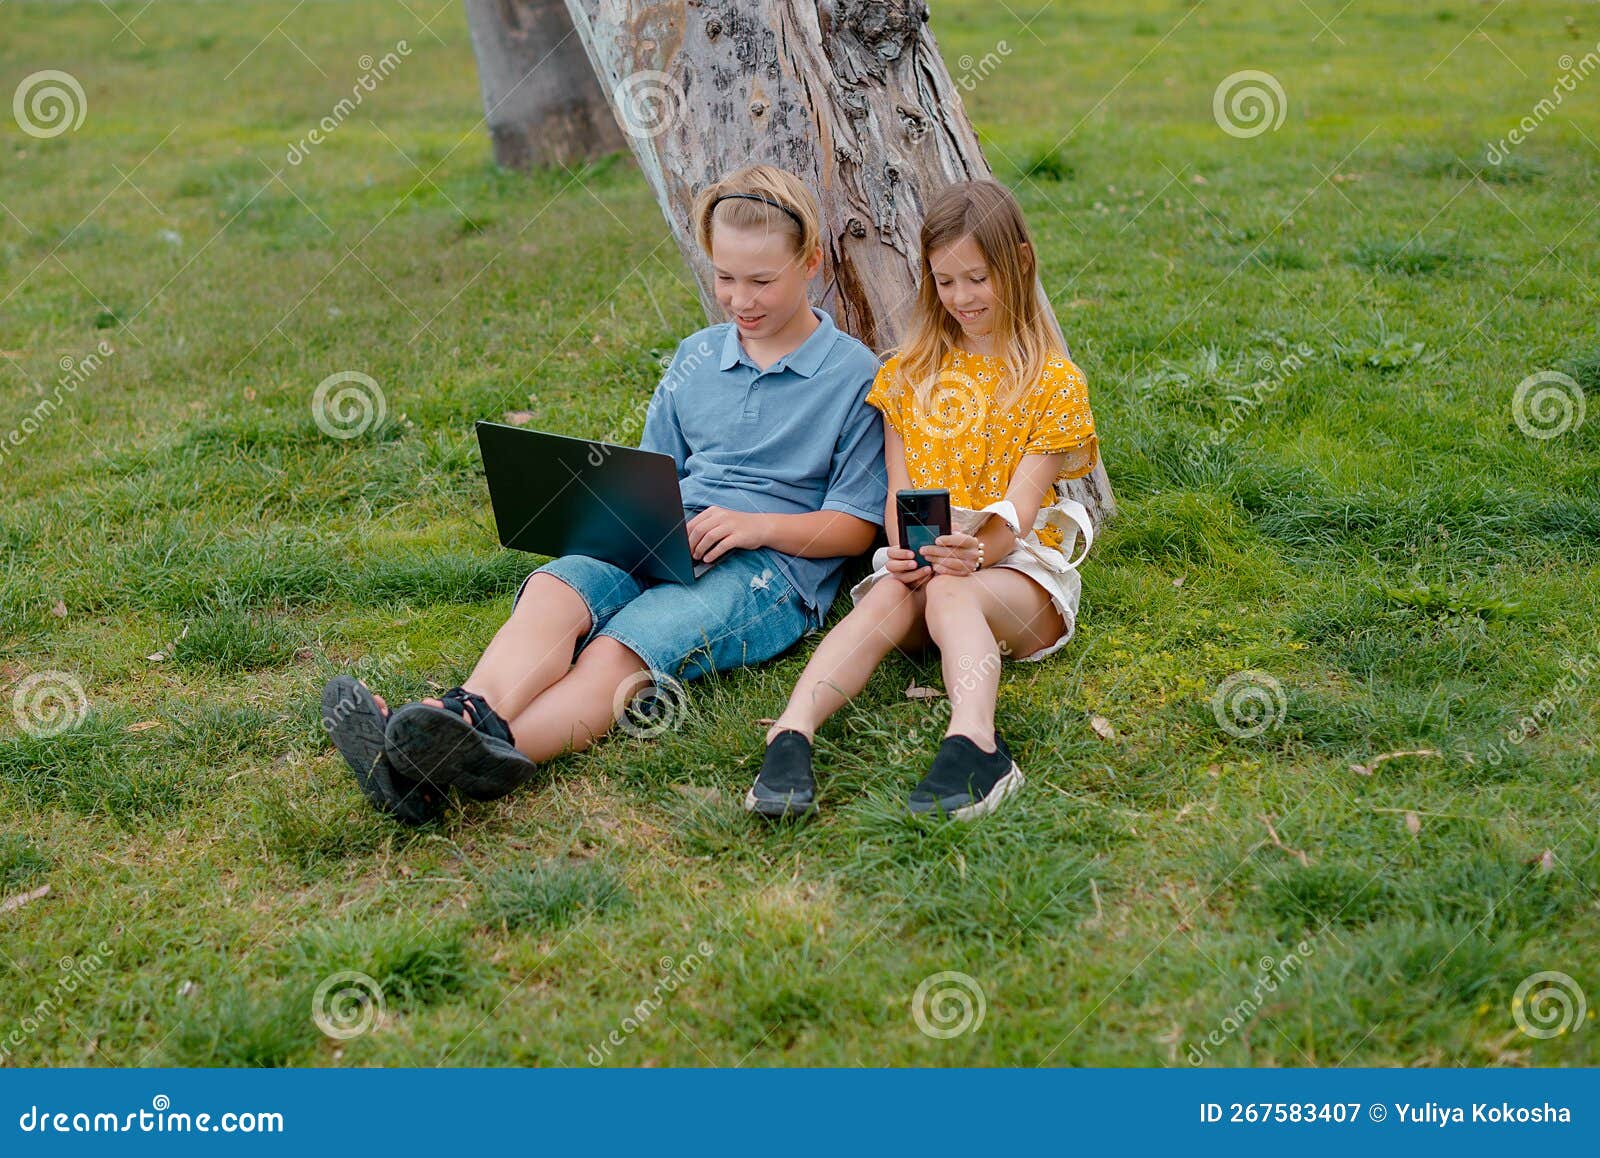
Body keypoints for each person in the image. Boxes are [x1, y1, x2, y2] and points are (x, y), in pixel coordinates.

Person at [322, 164, 886, 824]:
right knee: (557, 589)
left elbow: (856, 527)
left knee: (627, 644)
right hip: (666, 536)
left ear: (811, 263)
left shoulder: (853, 374)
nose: (741, 299)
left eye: (762, 281)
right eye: (725, 278)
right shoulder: (697, 357)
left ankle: (439, 766)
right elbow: (653, 472)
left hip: (769, 569)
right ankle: (462, 715)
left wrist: (755, 526)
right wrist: (616, 513)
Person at [745, 179, 1098, 821]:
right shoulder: (908, 375)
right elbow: (900, 491)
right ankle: (792, 734)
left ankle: (977, 745)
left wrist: (972, 553)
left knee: (950, 589)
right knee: (888, 594)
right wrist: (905, 552)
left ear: (1020, 263)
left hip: (1017, 573)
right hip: (930, 566)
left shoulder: (1053, 383)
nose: (961, 297)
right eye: (945, 281)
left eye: (978, 278)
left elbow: (1021, 507)